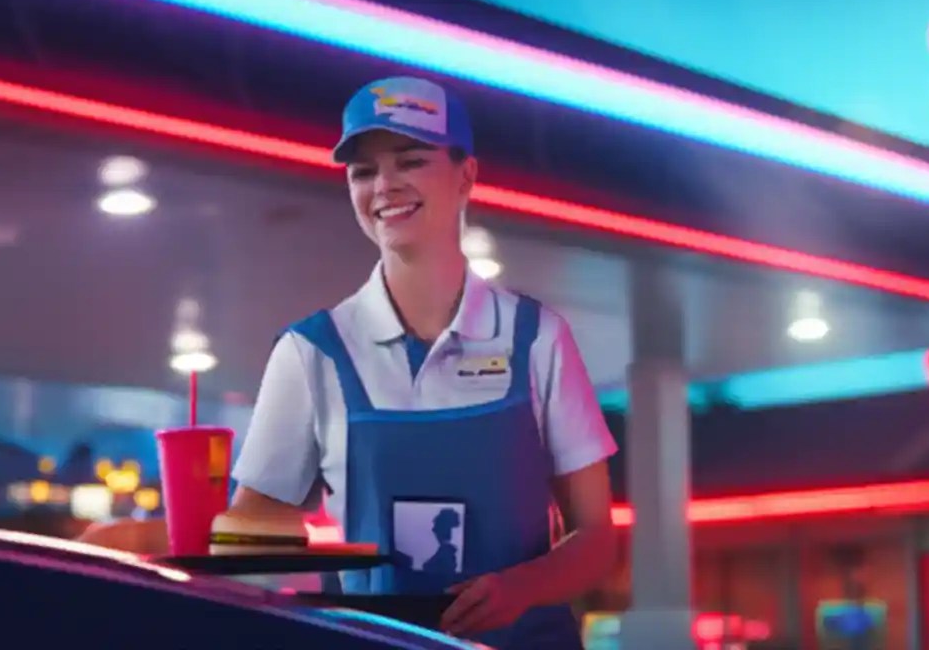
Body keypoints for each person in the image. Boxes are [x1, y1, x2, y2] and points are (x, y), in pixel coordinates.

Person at [85, 76, 619, 649]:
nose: (385, 185)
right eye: (363, 172)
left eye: (410, 161)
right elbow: (252, 542)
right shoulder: (311, 353)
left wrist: (520, 587)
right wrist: (140, 537)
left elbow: (596, 540)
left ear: (466, 176)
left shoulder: (537, 340)